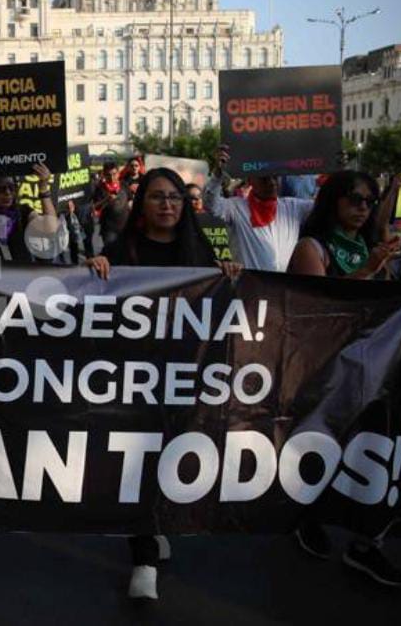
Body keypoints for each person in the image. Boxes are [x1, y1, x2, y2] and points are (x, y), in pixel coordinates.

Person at [91, 168, 240, 601]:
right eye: (157, 196)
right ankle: (143, 557)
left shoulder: (199, 253)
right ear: (143, 203)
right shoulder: (123, 250)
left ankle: (156, 526)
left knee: (169, 458)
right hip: (135, 375)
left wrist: (227, 274)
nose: (167, 204)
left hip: (183, 375)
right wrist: (94, 270)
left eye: (174, 196)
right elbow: (97, 298)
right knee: (137, 463)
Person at [287, 169, 401, 587]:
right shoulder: (312, 247)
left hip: (376, 372)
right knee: (324, 449)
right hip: (328, 374)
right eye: (354, 199)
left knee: (375, 452)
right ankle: (306, 515)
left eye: (369, 201)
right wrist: (369, 270)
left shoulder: (374, 250)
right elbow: (322, 308)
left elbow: (390, 306)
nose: (363, 208)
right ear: (333, 201)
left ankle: (367, 543)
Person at [203, 145, 314, 271]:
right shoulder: (235, 208)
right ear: (250, 180)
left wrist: (333, 168)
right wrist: (218, 174)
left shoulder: (293, 207)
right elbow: (210, 203)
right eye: (264, 178)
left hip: (285, 283)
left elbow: (326, 204)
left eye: (275, 177)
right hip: (249, 283)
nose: (271, 182)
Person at [92, 161, 131, 249]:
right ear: (104, 175)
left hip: (125, 227)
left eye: (114, 174)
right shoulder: (100, 188)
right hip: (109, 229)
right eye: (108, 175)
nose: (112, 177)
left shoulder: (124, 185)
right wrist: (106, 200)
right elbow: (95, 206)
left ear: (118, 173)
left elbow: (130, 201)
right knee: (111, 252)